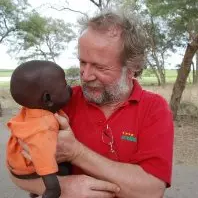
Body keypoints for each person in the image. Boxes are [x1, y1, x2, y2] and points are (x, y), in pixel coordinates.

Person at [10, 11, 174, 198]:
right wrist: (62, 187)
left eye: (100, 67)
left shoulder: (154, 108)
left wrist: (76, 153)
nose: (86, 76)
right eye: (82, 62)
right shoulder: (60, 100)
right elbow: (16, 169)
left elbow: (151, 190)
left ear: (132, 68)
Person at [6, 60, 72, 198]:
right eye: (65, 85)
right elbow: (43, 156)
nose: (70, 87)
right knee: (66, 168)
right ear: (48, 99)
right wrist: (52, 188)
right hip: (25, 169)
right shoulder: (44, 127)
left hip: (15, 161)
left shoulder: (32, 109)